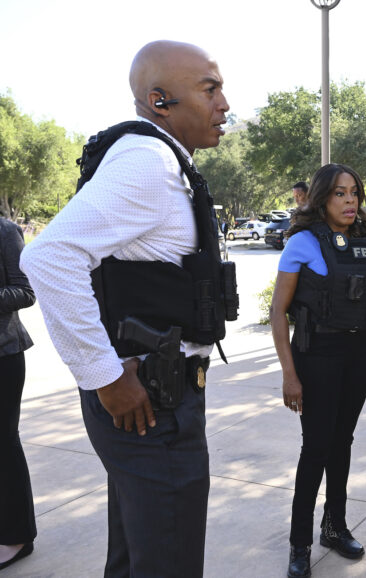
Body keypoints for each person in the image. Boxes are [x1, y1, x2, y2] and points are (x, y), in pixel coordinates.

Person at [20, 40, 233, 577]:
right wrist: (102, 376)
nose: (225, 103)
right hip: (148, 397)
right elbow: (48, 257)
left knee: (141, 556)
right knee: (168, 561)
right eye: (210, 90)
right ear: (160, 100)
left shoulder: (162, 161)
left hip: (157, 393)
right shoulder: (148, 161)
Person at [269, 163, 366, 578]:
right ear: (323, 197)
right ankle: (299, 543)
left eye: (354, 193)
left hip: (358, 354)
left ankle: (334, 528)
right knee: (317, 447)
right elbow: (278, 312)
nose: (350, 200)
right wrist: (289, 374)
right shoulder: (303, 242)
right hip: (317, 354)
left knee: (342, 443)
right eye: (340, 193)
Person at [0, 218, 36, 571]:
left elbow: (26, 291)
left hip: (4, 354)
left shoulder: (5, 231)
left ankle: (17, 537)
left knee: (4, 444)